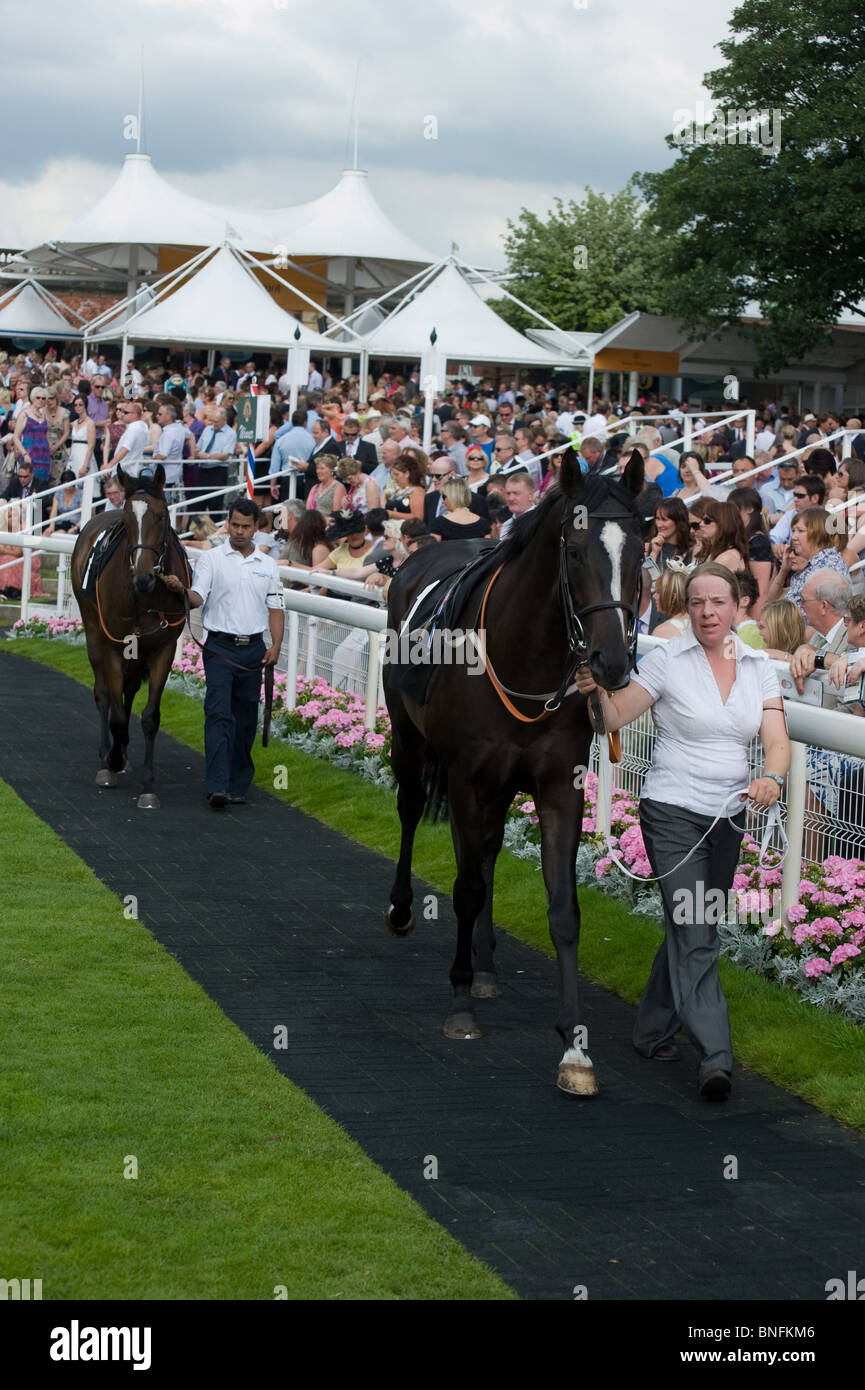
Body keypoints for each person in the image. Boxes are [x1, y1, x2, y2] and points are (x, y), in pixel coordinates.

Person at [575, 563, 790, 1101]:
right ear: (686, 607)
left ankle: (651, 1030)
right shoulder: (667, 657)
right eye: (697, 602)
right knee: (697, 928)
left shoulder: (760, 666)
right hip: (671, 810)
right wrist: (594, 692)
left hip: (731, 814)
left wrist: (771, 776)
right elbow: (617, 715)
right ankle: (716, 1056)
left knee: (689, 919)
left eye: (718, 601)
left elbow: (778, 741)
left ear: (740, 607)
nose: (708, 612)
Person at [163, 497, 284, 809]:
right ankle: (217, 785)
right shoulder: (212, 559)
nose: (239, 531)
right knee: (218, 714)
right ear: (227, 523)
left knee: (245, 719)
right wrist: (179, 589)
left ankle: (238, 784)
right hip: (218, 647)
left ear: (257, 527)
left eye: (246, 526)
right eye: (234, 525)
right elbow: (197, 597)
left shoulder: (268, 566)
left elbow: (276, 609)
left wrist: (276, 646)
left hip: (254, 650)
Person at [766, 507, 850, 614]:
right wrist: (784, 570)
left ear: (818, 534)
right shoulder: (811, 565)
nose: (794, 537)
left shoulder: (828, 566)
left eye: (800, 531)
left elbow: (822, 623)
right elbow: (772, 600)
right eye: (793, 531)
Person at [728, 485, 773, 616]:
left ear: (749, 509)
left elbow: (761, 589)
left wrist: (753, 623)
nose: (730, 514)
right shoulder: (744, 539)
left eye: (734, 508)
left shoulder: (758, 542)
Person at [12, 384, 52, 492]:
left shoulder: (44, 415)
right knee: (28, 483)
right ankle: (26, 508)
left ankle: (38, 509)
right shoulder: (25, 413)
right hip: (29, 454)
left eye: (43, 398)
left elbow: (46, 434)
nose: (41, 400)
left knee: (41, 486)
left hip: (44, 456)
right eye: (38, 397)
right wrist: (24, 454)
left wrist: (50, 450)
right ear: (32, 398)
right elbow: (16, 436)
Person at [112, 401, 151, 477]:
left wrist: (110, 464)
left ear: (134, 415)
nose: (122, 414)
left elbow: (125, 448)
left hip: (125, 471)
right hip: (131, 469)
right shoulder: (142, 426)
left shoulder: (134, 428)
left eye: (125, 412)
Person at [307, 454, 348, 518]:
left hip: (330, 525)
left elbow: (336, 514)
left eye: (322, 468)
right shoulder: (315, 488)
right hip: (313, 524)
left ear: (331, 470)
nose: (318, 471)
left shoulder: (338, 487)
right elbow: (308, 511)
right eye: (317, 468)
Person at [44, 470, 83, 536]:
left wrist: (75, 528)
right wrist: (51, 526)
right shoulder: (59, 493)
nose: (67, 488)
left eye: (70, 485)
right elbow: (54, 512)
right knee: (45, 534)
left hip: (74, 524)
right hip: (61, 523)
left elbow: (84, 514)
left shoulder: (80, 494)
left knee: (59, 534)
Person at [68, 394, 97, 478]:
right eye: (75, 405)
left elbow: (91, 446)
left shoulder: (90, 423)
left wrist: (85, 465)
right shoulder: (75, 422)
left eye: (80, 404)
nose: (78, 407)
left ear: (85, 405)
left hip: (84, 455)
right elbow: (72, 442)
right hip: (74, 455)